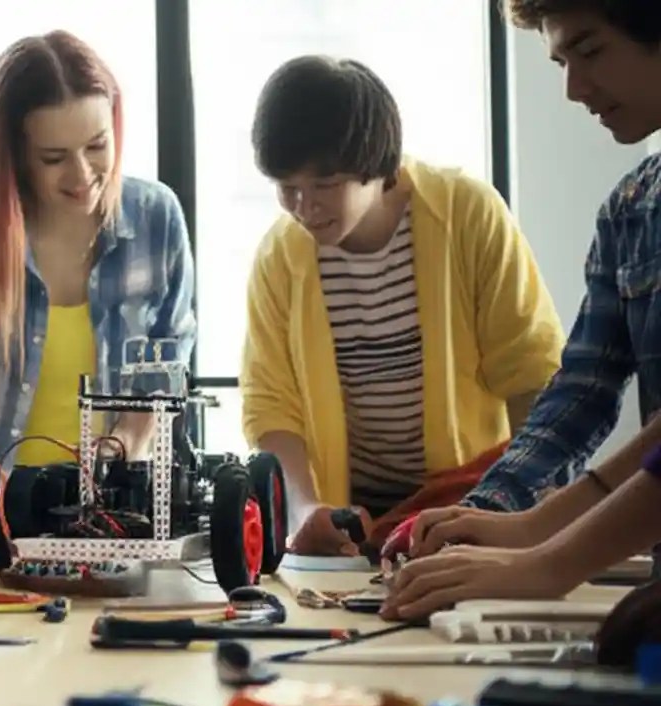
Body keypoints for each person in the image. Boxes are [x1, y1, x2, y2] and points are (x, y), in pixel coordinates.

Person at [384, 0, 661, 619]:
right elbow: (580, 394)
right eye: (561, 61)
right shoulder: (632, 206)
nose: (572, 89)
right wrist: (497, 518)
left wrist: (544, 559)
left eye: (589, 52)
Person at [239, 55, 565, 556]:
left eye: (325, 186)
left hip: (470, 497)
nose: (305, 208)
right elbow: (271, 406)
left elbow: (531, 374)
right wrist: (304, 511)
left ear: (379, 166)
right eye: (288, 188)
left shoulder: (467, 214)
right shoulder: (280, 255)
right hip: (352, 517)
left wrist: (526, 515)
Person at [0, 30, 197, 543]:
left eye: (97, 146)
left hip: (121, 511)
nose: (83, 173)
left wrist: (118, 454)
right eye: (54, 157)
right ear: (15, 153)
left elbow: (167, 374)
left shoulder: (157, 219)